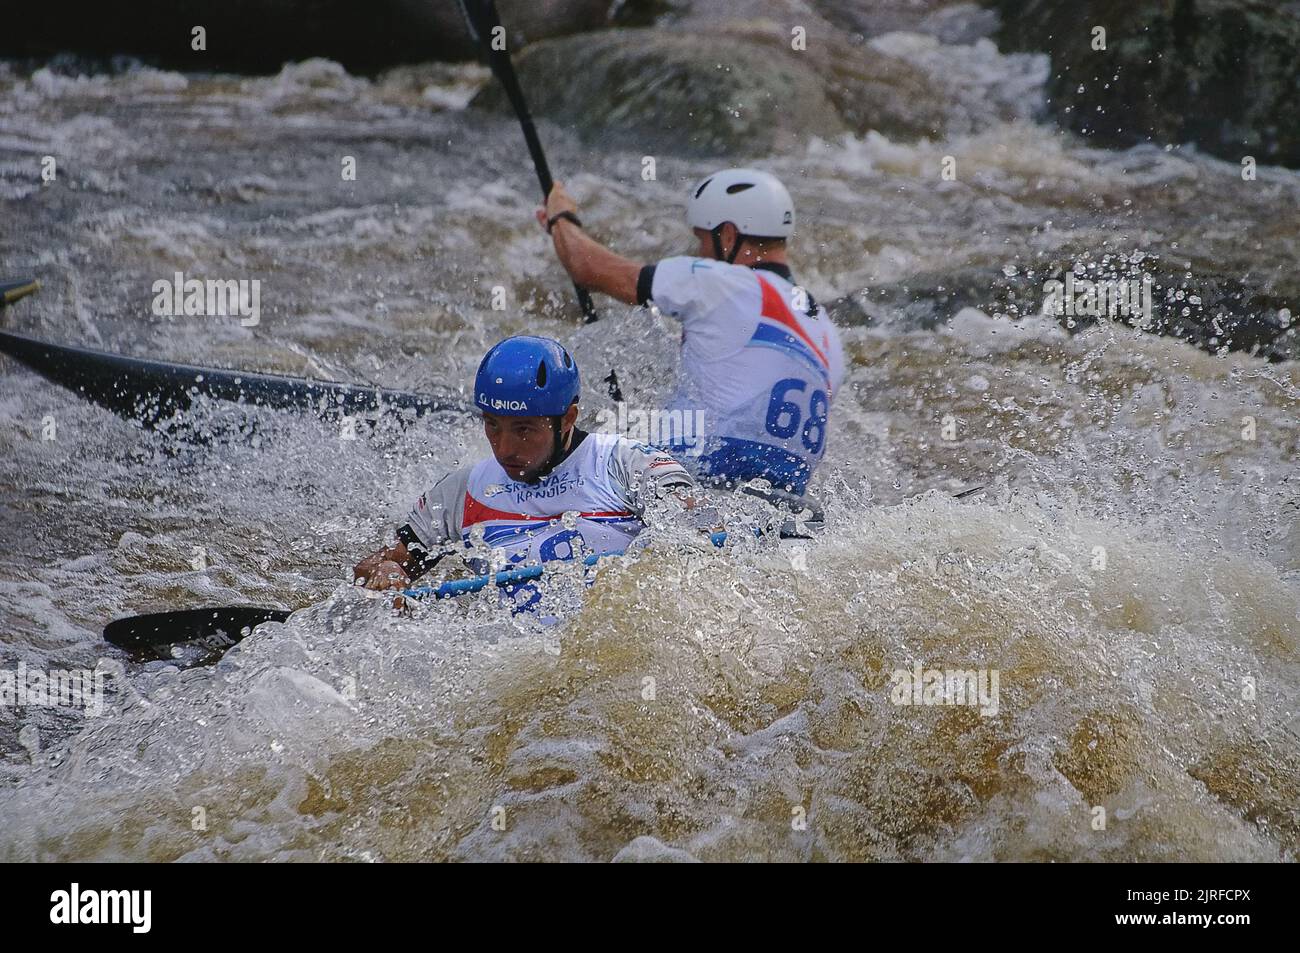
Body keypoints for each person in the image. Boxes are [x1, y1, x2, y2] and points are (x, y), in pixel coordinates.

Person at [535, 167, 845, 497]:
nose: (701, 252)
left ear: (727, 235)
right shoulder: (827, 331)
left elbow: (587, 267)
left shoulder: (724, 282)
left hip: (695, 476)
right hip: (779, 498)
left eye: (702, 240)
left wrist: (561, 219)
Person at [353, 336, 694, 607]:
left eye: (524, 429)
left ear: (568, 419)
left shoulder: (628, 463)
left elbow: (704, 534)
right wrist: (388, 573)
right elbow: (374, 568)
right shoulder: (462, 492)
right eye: (492, 425)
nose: (504, 448)